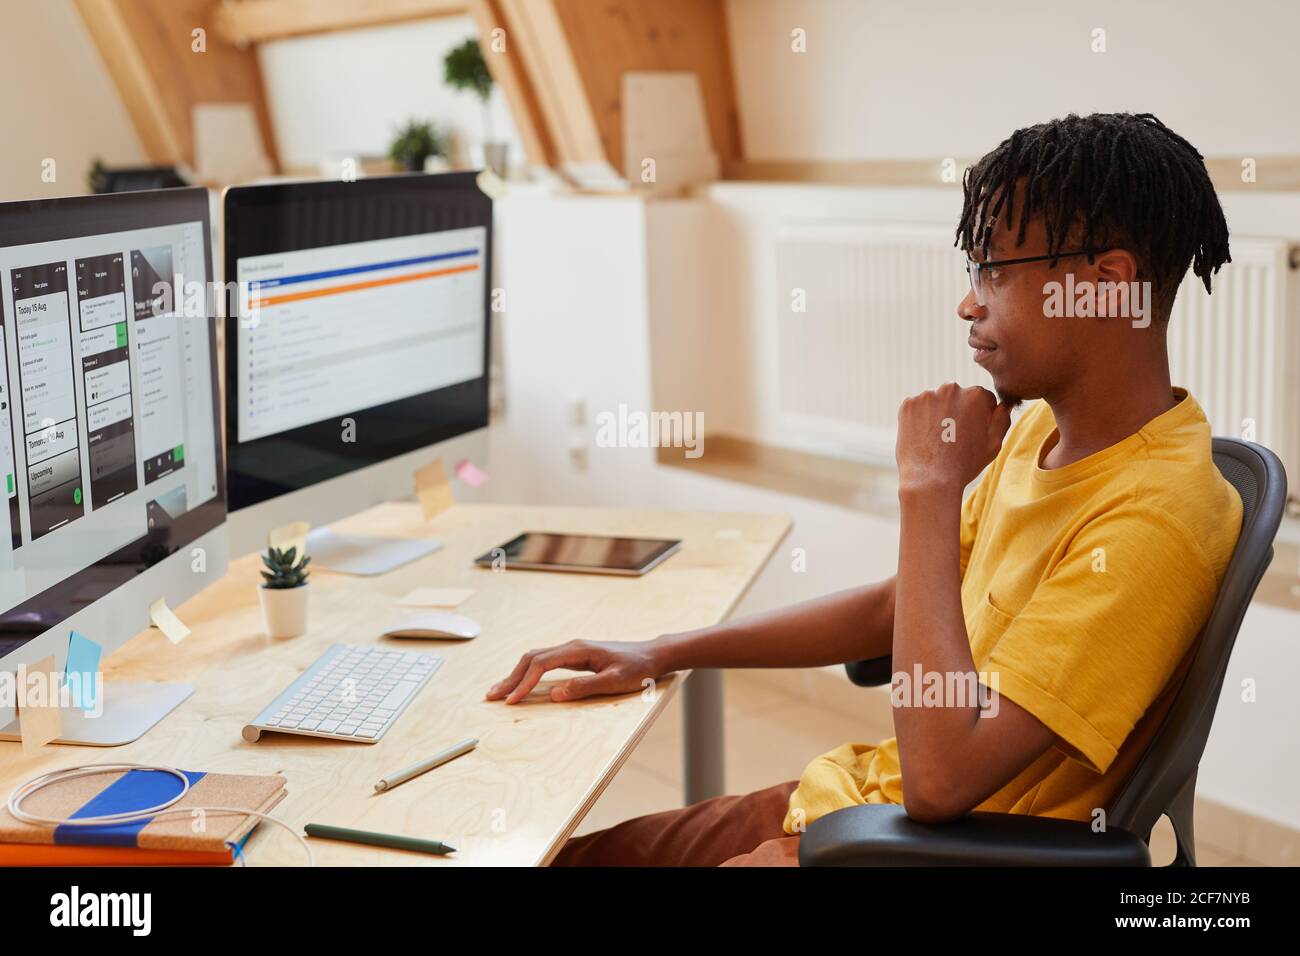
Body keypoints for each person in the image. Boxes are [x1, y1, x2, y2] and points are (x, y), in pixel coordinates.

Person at [487, 112, 1242, 866]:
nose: (969, 303)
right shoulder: (1041, 435)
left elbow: (941, 780)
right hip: (848, 802)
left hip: (909, 848)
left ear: (1107, 285)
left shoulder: (1152, 519)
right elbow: (896, 608)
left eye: (996, 271)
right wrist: (661, 650)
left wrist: (927, 487)